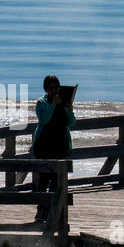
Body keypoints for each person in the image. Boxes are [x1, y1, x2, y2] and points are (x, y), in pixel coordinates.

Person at [32, 74, 76, 222]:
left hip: (60, 145)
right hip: (44, 145)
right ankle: (40, 210)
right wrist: (53, 105)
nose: (54, 90)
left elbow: (71, 123)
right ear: (46, 89)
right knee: (43, 179)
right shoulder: (42, 102)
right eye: (50, 88)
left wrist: (70, 110)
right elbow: (43, 118)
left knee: (57, 180)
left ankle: (53, 210)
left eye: (56, 88)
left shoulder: (63, 102)